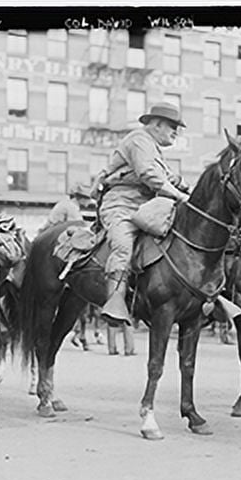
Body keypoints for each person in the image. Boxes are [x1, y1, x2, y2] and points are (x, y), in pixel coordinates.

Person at [95, 102, 191, 325]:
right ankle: (115, 301)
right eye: (172, 126)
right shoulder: (139, 140)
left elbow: (167, 176)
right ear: (156, 125)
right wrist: (180, 196)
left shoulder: (153, 148)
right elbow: (150, 175)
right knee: (123, 244)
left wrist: (186, 186)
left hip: (147, 205)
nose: (176, 132)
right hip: (121, 203)